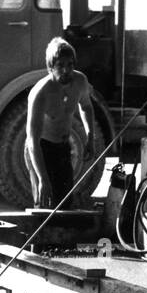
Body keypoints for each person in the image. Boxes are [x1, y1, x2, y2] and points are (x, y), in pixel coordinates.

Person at [27, 38, 95, 209]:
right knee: (45, 204)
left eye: (70, 64)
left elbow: (86, 107)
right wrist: (43, 179)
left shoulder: (80, 82)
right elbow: (32, 141)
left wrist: (90, 136)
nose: (66, 70)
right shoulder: (41, 93)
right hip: (41, 150)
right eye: (60, 65)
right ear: (51, 67)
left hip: (62, 148)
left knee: (65, 202)